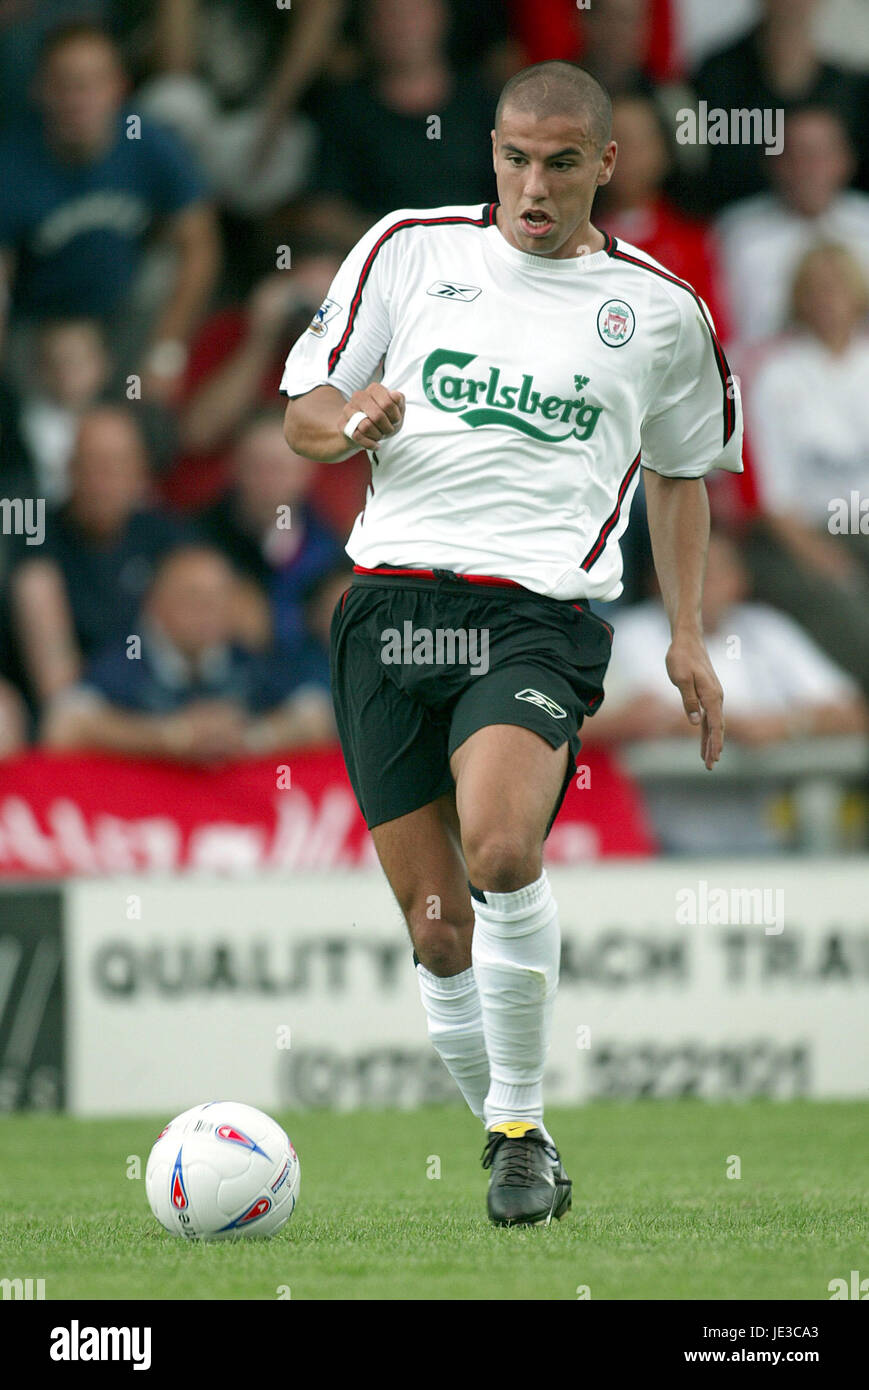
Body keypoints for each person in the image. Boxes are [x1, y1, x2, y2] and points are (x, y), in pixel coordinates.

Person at [282, 60, 743, 1225]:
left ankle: (519, 1121)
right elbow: (303, 410)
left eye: (557, 163)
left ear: (605, 163)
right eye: (511, 160)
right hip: (386, 609)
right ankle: (517, 1132)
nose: (530, 188)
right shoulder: (408, 247)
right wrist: (352, 422)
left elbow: (685, 471)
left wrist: (685, 634)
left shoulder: (659, 310)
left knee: (497, 850)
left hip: (533, 616)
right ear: (489, 152)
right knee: (438, 934)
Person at [581, 529, 868, 854]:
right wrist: (728, 725)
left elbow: (854, 713)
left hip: (764, 841)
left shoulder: (768, 629)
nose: (700, 584)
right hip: (657, 843)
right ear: (658, 580)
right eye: (687, 570)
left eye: (712, 572)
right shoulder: (630, 635)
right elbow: (580, 723)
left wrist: (785, 725)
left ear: (739, 581)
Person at [0, 21, 219, 403]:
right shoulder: (12, 161)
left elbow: (199, 247)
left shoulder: (146, 141)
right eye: (63, 84)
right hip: (37, 323)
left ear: (118, 87)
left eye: (89, 84)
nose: (76, 98)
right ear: (39, 89)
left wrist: (166, 354)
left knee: (163, 275)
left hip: (125, 310)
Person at [42, 545, 334, 759]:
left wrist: (251, 737)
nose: (208, 611)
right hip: (144, 824)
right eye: (193, 597)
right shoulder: (126, 660)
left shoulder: (247, 662)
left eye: (218, 598)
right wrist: (167, 737)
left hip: (229, 829)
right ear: (155, 603)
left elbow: (316, 713)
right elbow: (64, 724)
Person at [742, 242, 869, 698]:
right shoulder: (776, 374)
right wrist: (825, 557)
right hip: (800, 535)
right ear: (799, 299)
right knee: (845, 603)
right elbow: (772, 500)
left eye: (840, 288)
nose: (830, 301)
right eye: (818, 290)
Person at [9, 405, 188, 706]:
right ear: (70, 470)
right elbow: (59, 691)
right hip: (77, 710)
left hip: (159, 698)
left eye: (118, 464)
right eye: (93, 463)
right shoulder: (36, 534)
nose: (104, 478)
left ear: (140, 472)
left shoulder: (165, 534)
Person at [715, 106, 869, 347]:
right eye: (795, 155)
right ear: (773, 163)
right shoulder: (736, 233)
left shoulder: (865, 222)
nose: (809, 168)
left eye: (821, 154)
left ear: (846, 160)